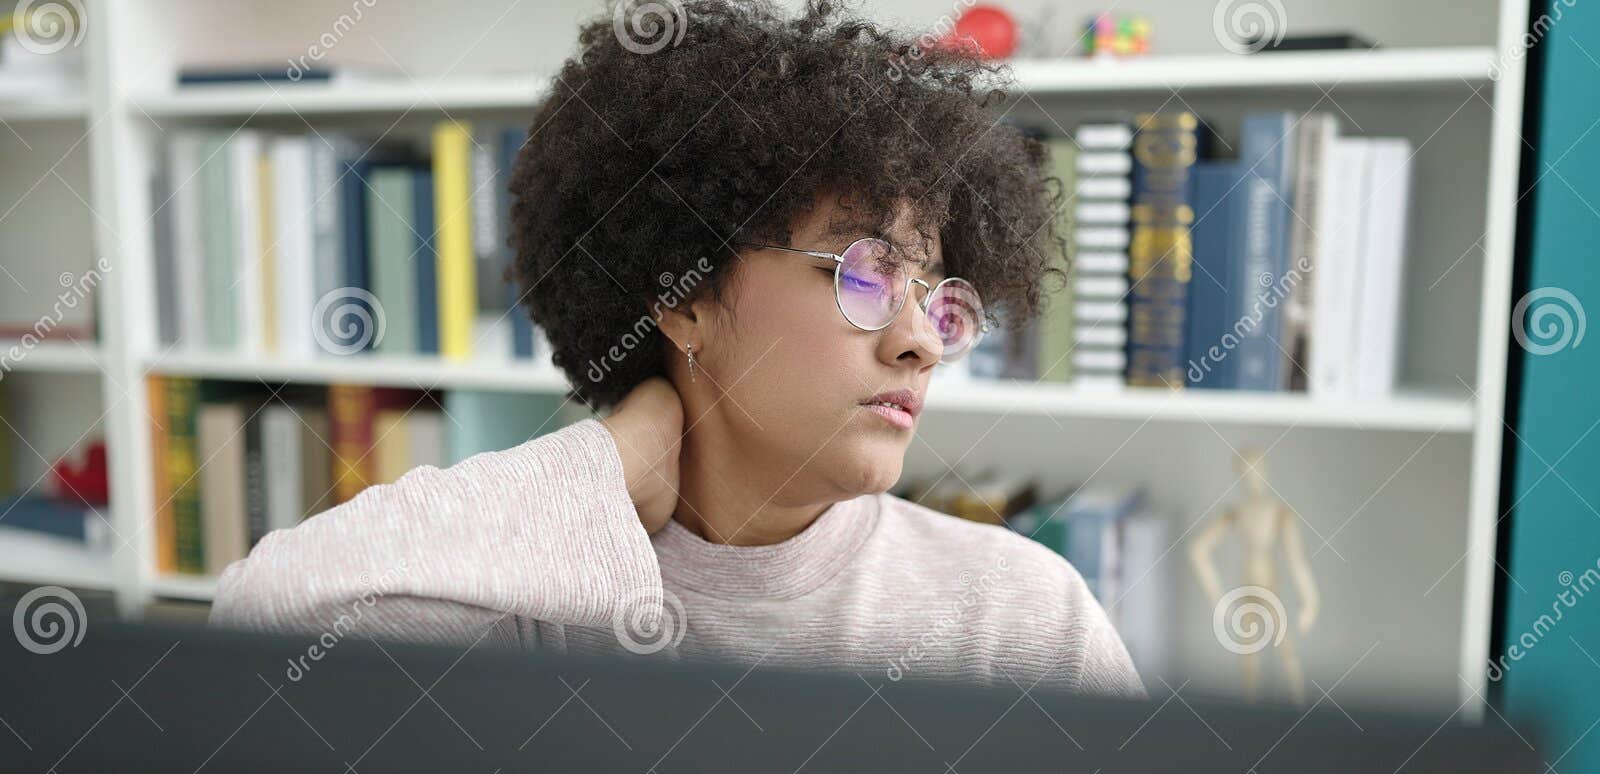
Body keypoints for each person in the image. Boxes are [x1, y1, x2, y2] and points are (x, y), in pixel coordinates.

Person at [211, 0, 1146, 699]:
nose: (919, 344)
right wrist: (607, 463)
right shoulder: (533, 602)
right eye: (866, 271)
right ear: (686, 297)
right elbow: (258, 625)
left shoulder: (1015, 618)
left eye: (938, 298)